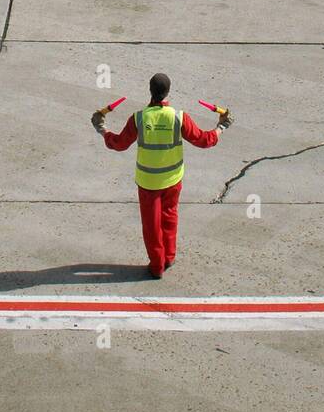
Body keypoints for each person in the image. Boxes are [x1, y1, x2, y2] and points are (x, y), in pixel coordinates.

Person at [92, 72, 232, 278]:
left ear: (150, 91)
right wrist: (222, 126)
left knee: (151, 225)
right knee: (169, 217)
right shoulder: (179, 117)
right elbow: (204, 140)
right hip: (173, 180)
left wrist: (101, 127)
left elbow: (119, 144)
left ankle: (157, 266)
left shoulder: (139, 118)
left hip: (148, 182)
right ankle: (169, 257)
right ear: (168, 92)